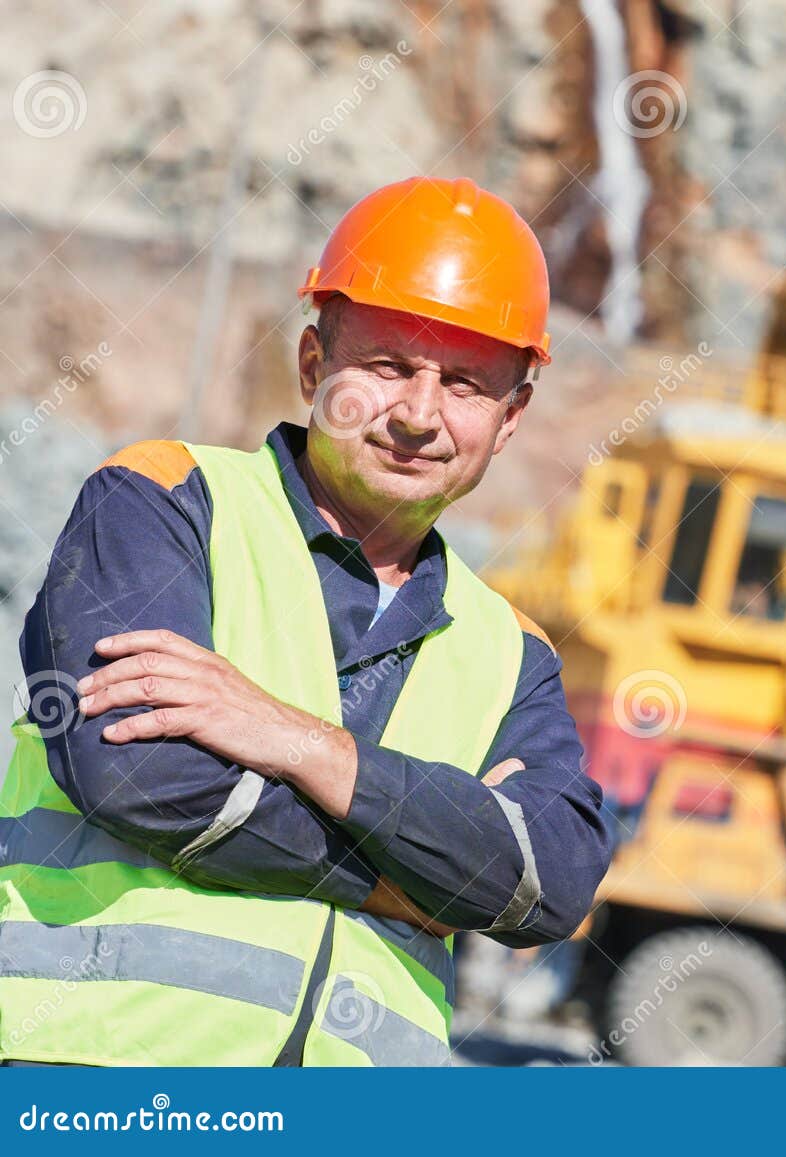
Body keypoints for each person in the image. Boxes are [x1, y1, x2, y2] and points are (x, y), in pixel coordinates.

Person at [0, 177, 612, 1066]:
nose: (418, 414)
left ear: (511, 418)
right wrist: (417, 879)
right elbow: (134, 772)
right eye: (389, 366)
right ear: (316, 366)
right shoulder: (167, 500)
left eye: (466, 385)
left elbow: (551, 882)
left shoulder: (514, 655)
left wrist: (298, 741)